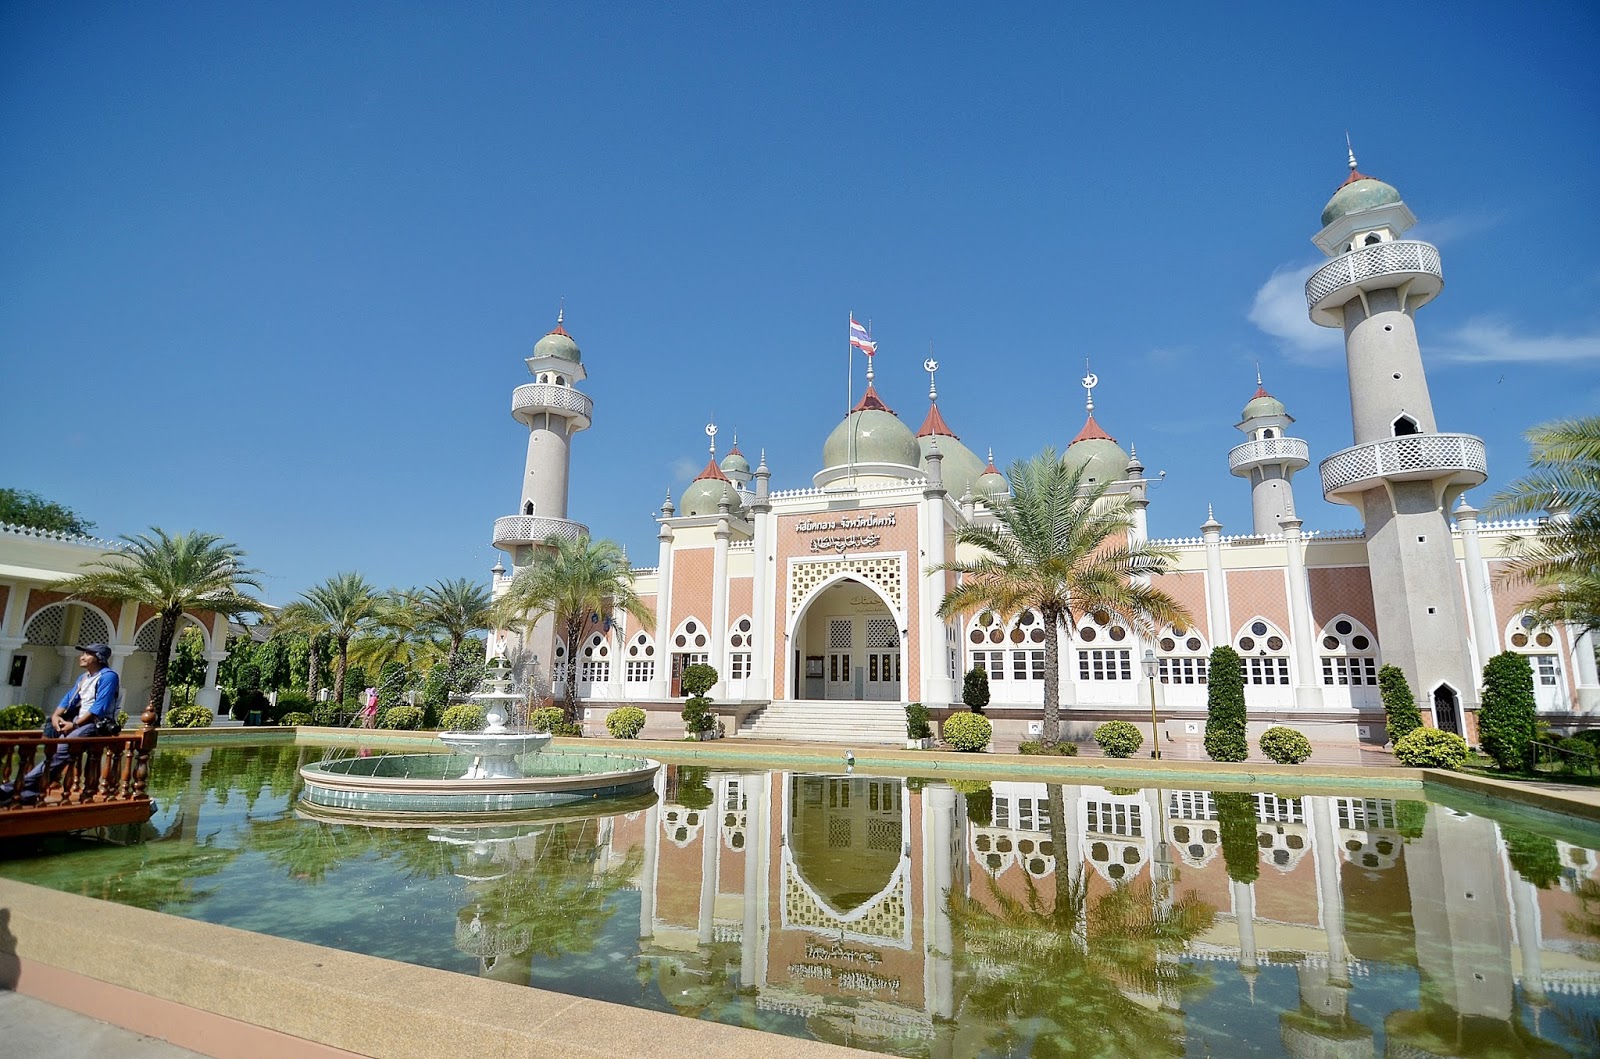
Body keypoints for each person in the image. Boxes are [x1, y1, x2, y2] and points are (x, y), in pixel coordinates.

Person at [2, 643, 121, 802]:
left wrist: (75, 725)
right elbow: (69, 698)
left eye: (87, 654)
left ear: (99, 658)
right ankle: (31, 792)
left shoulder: (108, 676)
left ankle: (12, 788)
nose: (82, 657)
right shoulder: (84, 677)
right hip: (80, 721)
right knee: (51, 739)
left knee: (63, 749)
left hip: (95, 724)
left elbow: (99, 707)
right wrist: (56, 716)